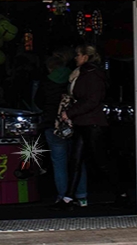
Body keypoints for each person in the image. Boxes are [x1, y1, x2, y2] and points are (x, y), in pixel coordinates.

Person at [58, 44, 109, 208]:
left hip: (92, 123)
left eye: (78, 55)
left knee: (100, 161)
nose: (75, 57)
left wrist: (70, 112)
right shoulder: (83, 73)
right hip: (83, 122)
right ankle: (68, 197)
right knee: (76, 160)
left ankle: (121, 191)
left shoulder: (92, 75)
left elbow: (92, 101)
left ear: (86, 57)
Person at [35, 50, 81, 205]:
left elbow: (38, 101)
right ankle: (81, 195)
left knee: (59, 161)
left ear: (50, 68)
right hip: (74, 123)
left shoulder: (46, 83)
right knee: (78, 160)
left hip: (52, 124)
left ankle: (62, 196)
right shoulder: (74, 78)